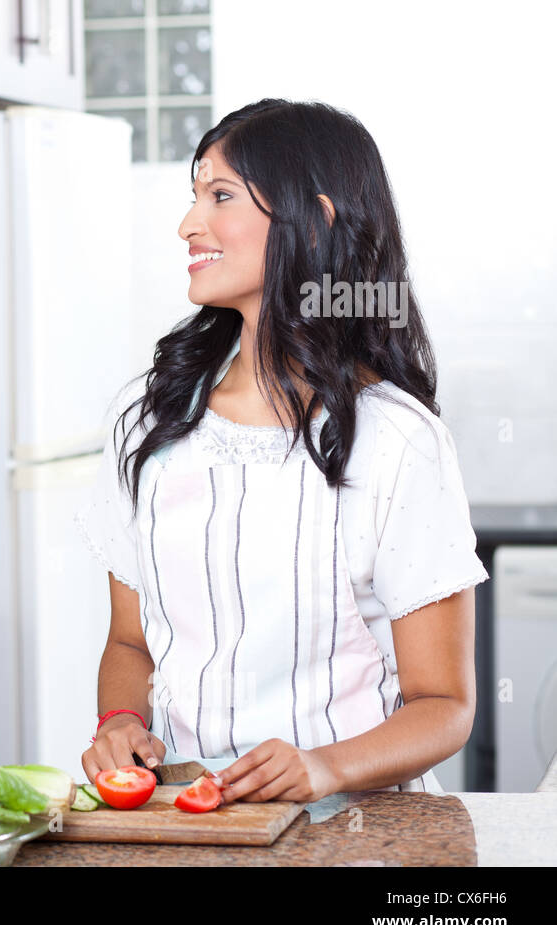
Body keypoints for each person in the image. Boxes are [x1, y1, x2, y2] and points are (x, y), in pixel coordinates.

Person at [77, 99, 486, 802]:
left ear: (315, 220)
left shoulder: (395, 439)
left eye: (222, 196)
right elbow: (131, 644)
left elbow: (444, 705)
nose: (188, 224)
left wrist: (323, 767)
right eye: (194, 196)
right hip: (193, 826)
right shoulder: (150, 421)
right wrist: (119, 722)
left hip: (364, 831)